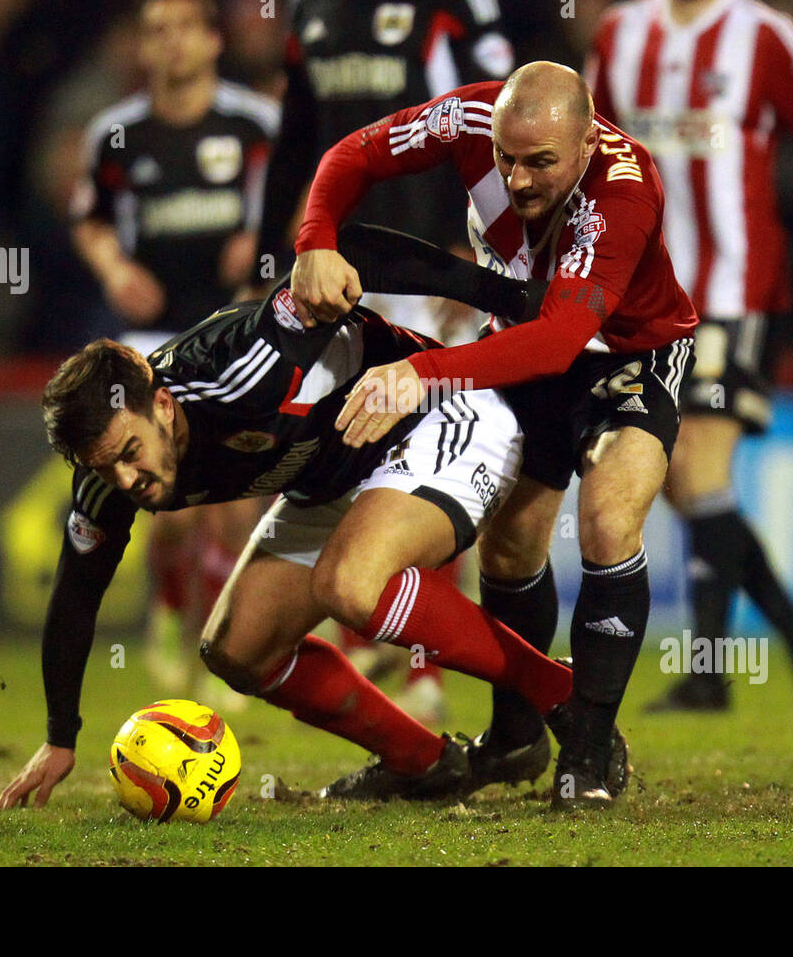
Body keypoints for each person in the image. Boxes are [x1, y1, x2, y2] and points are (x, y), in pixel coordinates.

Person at [0, 229, 598, 809]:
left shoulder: (248, 361)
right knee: (236, 649)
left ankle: (566, 695)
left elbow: (348, 254)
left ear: (162, 402)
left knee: (349, 584)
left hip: (440, 415)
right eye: (106, 470)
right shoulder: (110, 477)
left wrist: (506, 296)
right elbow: (75, 594)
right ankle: (423, 763)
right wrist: (59, 737)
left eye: (129, 455)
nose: (128, 482)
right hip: (333, 477)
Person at [288, 61, 697, 808]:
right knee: (508, 547)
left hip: (626, 357)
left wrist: (425, 373)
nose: (517, 178)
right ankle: (514, 739)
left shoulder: (625, 189)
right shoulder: (469, 117)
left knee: (608, 519)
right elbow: (352, 155)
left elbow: (562, 341)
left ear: (584, 143)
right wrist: (315, 237)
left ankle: (589, 745)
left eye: (540, 162)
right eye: (507, 158)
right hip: (520, 344)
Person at [585, 0, 793, 711]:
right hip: (641, 302)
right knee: (685, 488)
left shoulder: (766, 35)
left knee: (694, 470)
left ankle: (710, 675)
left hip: (731, 289)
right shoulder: (618, 34)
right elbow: (585, 153)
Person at [259, 0, 515, 720]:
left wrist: (477, 257)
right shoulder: (310, 6)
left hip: (428, 273)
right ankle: (372, 635)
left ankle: (435, 667)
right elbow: (296, 147)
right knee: (344, 455)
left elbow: (505, 115)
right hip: (337, 276)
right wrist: (277, 254)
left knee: (429, 455)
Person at [70, 0, 278, 698]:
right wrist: (113, 267)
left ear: (213, 39)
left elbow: (292, 211)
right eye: (157, 29)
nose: (173, 41)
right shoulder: (116, 133)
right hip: (151, 333)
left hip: (233, 328)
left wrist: (258, 249)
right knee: (167, 503)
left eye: (185, 26)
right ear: (142, 45)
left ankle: (220, 646)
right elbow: (89, 219)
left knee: (234, 498)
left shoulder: (255, 125)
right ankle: (167, 610)